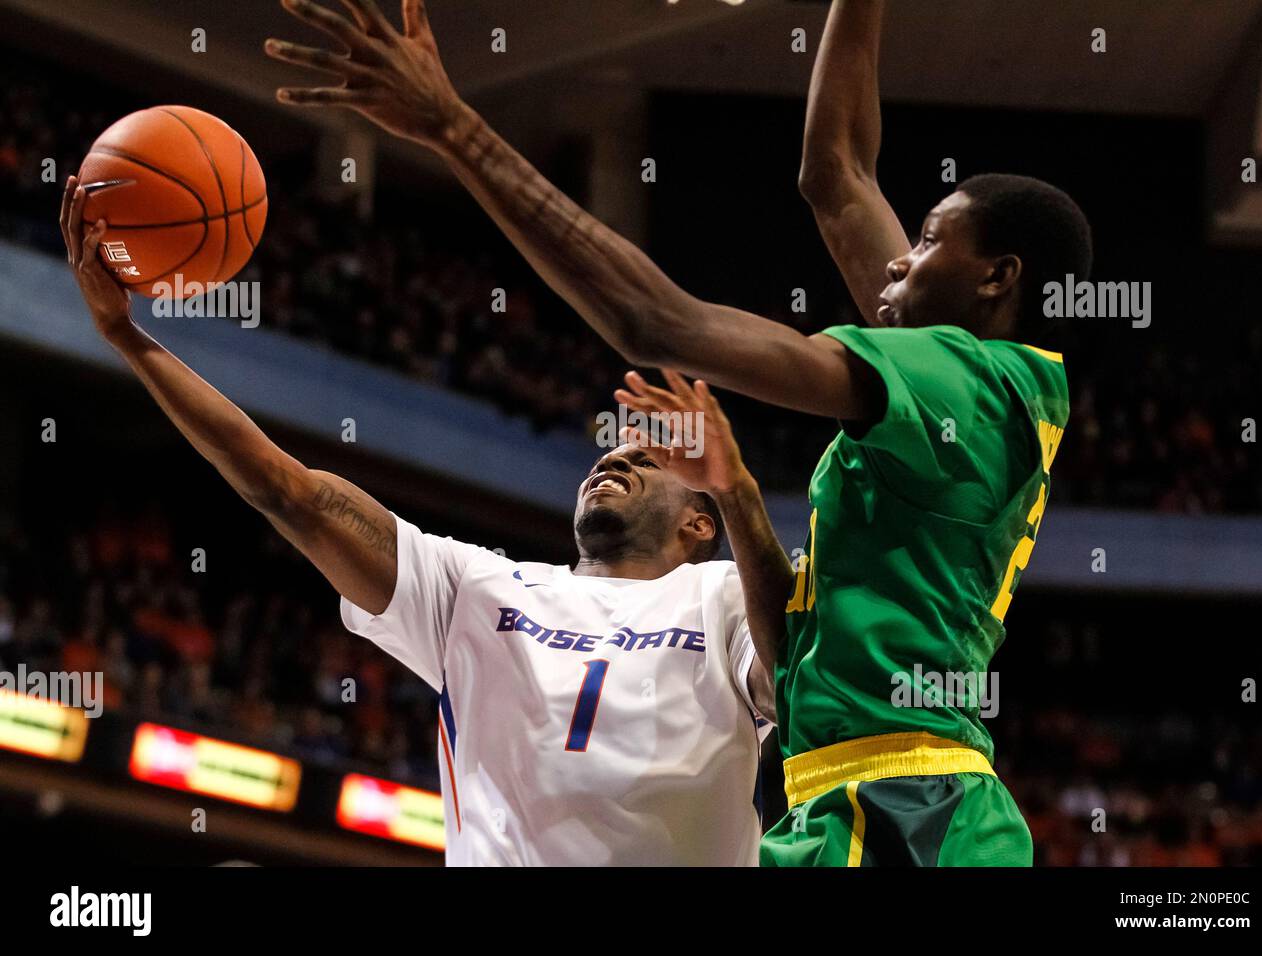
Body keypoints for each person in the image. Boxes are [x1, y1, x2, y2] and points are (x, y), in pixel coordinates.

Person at [267, 0, 1090, 866]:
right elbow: (837, 175)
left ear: (998, 278)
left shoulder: (970, 381)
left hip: (911, 806)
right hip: (853, 796)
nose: (898, 259)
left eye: (927, 241)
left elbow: (657, 324)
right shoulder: (957, 385)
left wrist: (452, 127)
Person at [58, 177, 782, 866]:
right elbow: (291, 493)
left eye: (649, 462)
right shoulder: (477, 586)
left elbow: (798, 680)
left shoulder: (720, 594)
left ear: (698, 524)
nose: (611, 464)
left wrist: (739, 491)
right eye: (607, 455)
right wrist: (128, 338)